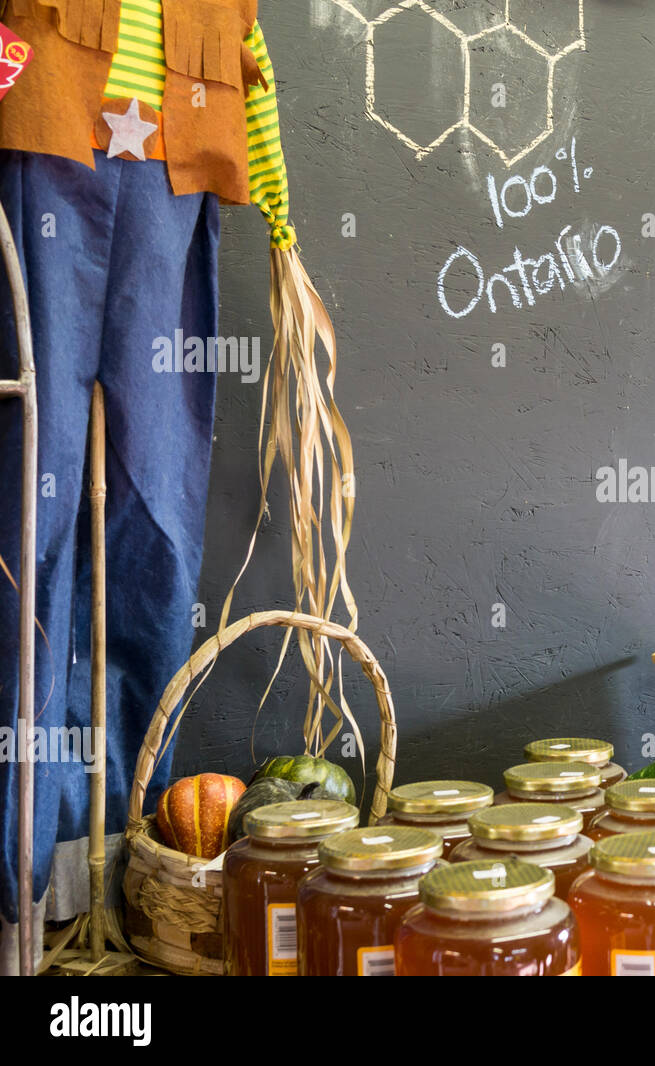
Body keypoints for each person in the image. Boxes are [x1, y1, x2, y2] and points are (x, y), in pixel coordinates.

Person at [0, 0, 295, 971]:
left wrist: (283, 230)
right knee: (28, 512)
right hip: (44, 140)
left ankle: (119, 854)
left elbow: (249, 65)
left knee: (157, 516)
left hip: (173, 162)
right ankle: (20, 866)